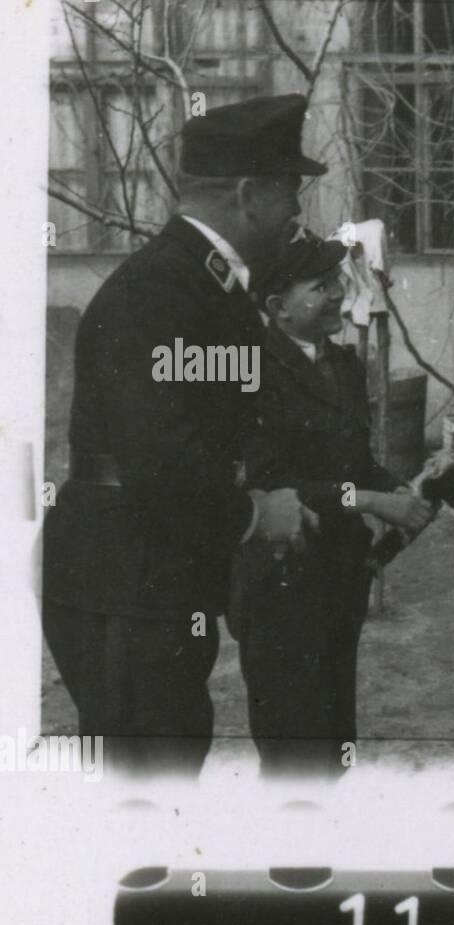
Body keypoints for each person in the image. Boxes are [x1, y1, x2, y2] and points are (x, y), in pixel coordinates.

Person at [42, 95, 326, 778]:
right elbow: (161, 458)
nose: (297, 213)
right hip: (125, 580)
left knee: (167, 761)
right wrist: (258, 514)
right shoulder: (162, 293)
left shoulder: (202, 285)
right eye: (291, 192)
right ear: (247, 194)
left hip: (148, 572)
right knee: (146, 781)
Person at [229, 232, 435, 779]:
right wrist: (368, 500)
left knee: (334, 732)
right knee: (292, 743)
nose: (340, 294)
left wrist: (405, 488)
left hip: (338, 575)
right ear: (277, 307)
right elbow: (271, 484)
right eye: (321, 286)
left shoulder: (340, 364)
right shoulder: (251, 372)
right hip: (279, 582)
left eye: (338, 281)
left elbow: (354, 461)